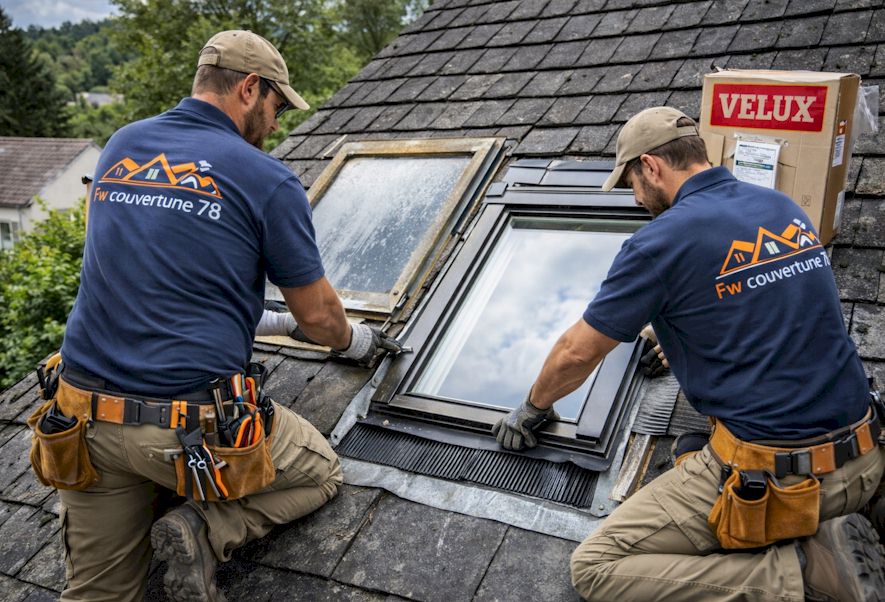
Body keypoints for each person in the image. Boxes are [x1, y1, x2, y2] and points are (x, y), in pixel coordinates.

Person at [48, 30, 395, 601]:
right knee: (323, 472)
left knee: (98, 593)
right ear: (250, 88)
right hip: (185, 429)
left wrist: (266, 319)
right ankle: (202, 530)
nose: (277, 123)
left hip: (83, 420)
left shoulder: (121, 145)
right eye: (276, 105)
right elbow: (319, 318)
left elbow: (154, 283)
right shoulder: (265, 178)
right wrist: (355, 341)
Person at [492, 107, 885, 602]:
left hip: (789, 484)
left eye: (632, 182)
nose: (636, 199)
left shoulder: (658, 243)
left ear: (652, 167)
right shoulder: (780, 206)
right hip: (867, 458)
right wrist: (670, 335)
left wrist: (533, 407)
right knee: (692, 442)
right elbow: (750, 301)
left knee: (596, 567)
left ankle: (808, 572)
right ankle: (843, 521)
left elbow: (575, 353)